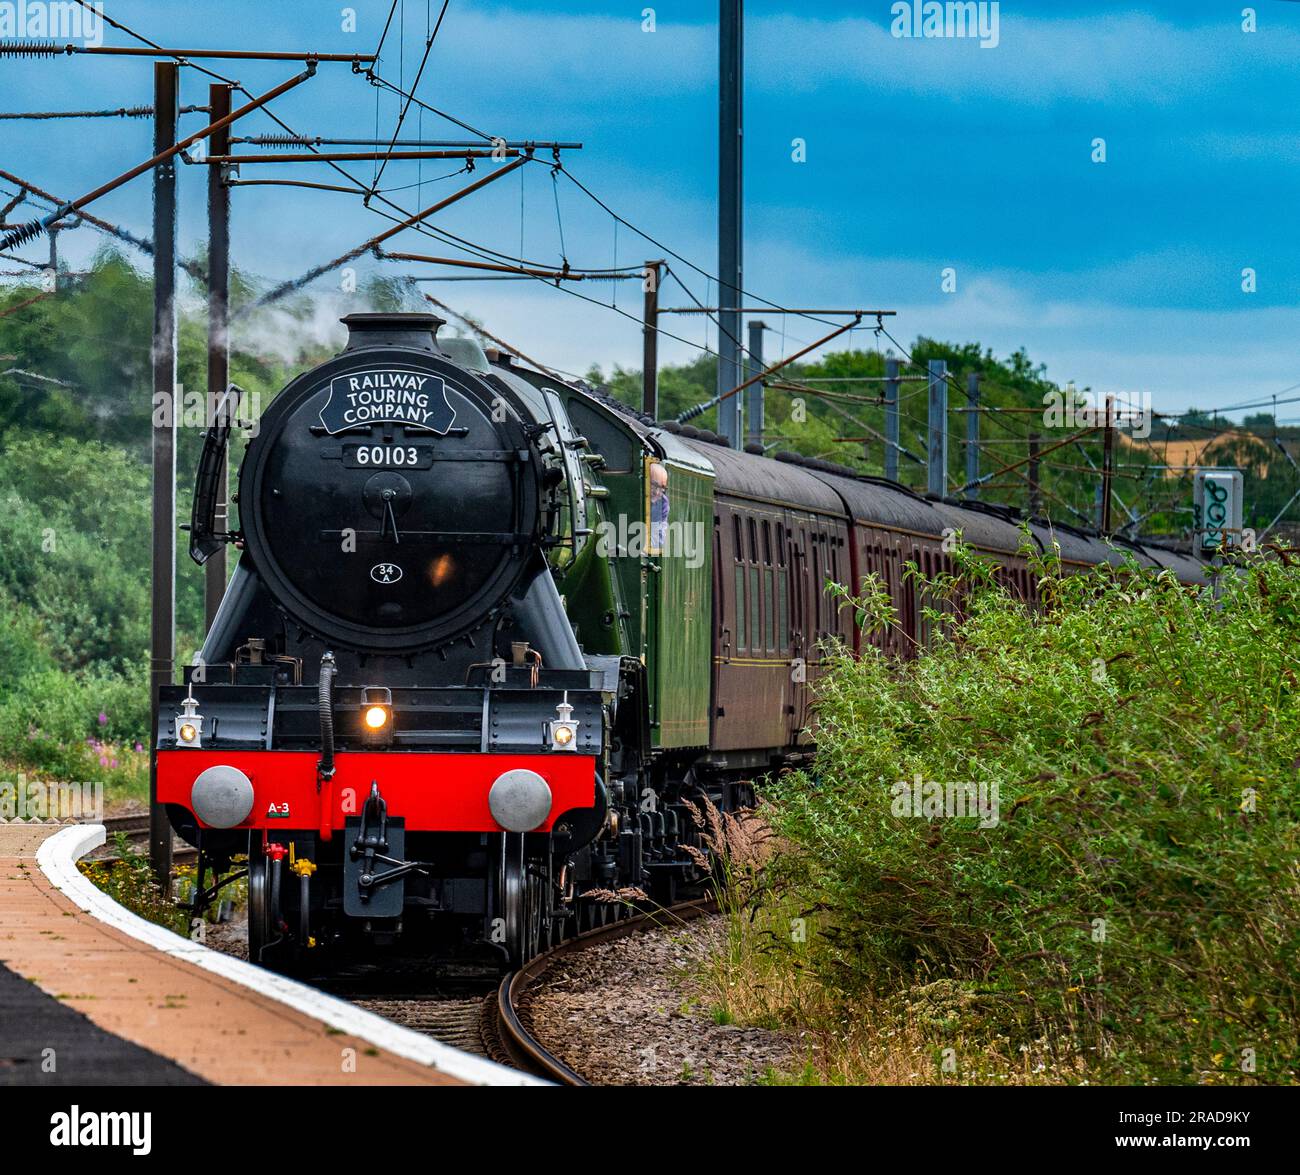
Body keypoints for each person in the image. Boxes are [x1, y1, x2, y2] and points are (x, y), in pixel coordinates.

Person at [649, 461, 669, 553]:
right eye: (654, 485)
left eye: (662, 488)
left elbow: (659, 539)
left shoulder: (663, 503)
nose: (657, 492)